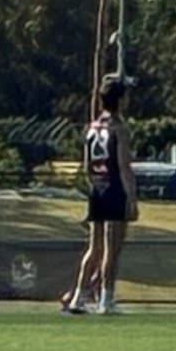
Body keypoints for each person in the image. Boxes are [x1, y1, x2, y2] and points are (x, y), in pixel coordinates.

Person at [66, 76, 138, 315]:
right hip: (116, 188)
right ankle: (106, 300)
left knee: (94, 248)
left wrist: (95, 185)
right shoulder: (119, 128)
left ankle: (78, 297)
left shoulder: (92, 128)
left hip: (97, 188)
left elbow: (87, 164)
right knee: (112, 249)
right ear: (121, 100)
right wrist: (131, 198)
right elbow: (124, 165)